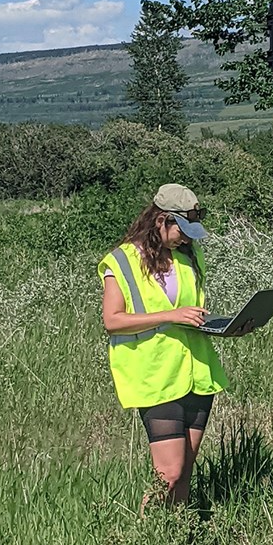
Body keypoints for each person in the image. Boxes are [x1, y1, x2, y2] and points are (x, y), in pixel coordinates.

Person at [98, 183, 228, 512]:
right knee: (168, 474)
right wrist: (171, 315)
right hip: (154, 376)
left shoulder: (190, 256)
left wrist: (227, 326)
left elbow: (191, 310)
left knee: (184, 473)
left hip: (197, 373)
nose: (185, 239)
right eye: (181, 231)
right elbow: (112, 320)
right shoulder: (122, 261)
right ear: (160, 221)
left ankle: (177, 533)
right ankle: (145, 535)